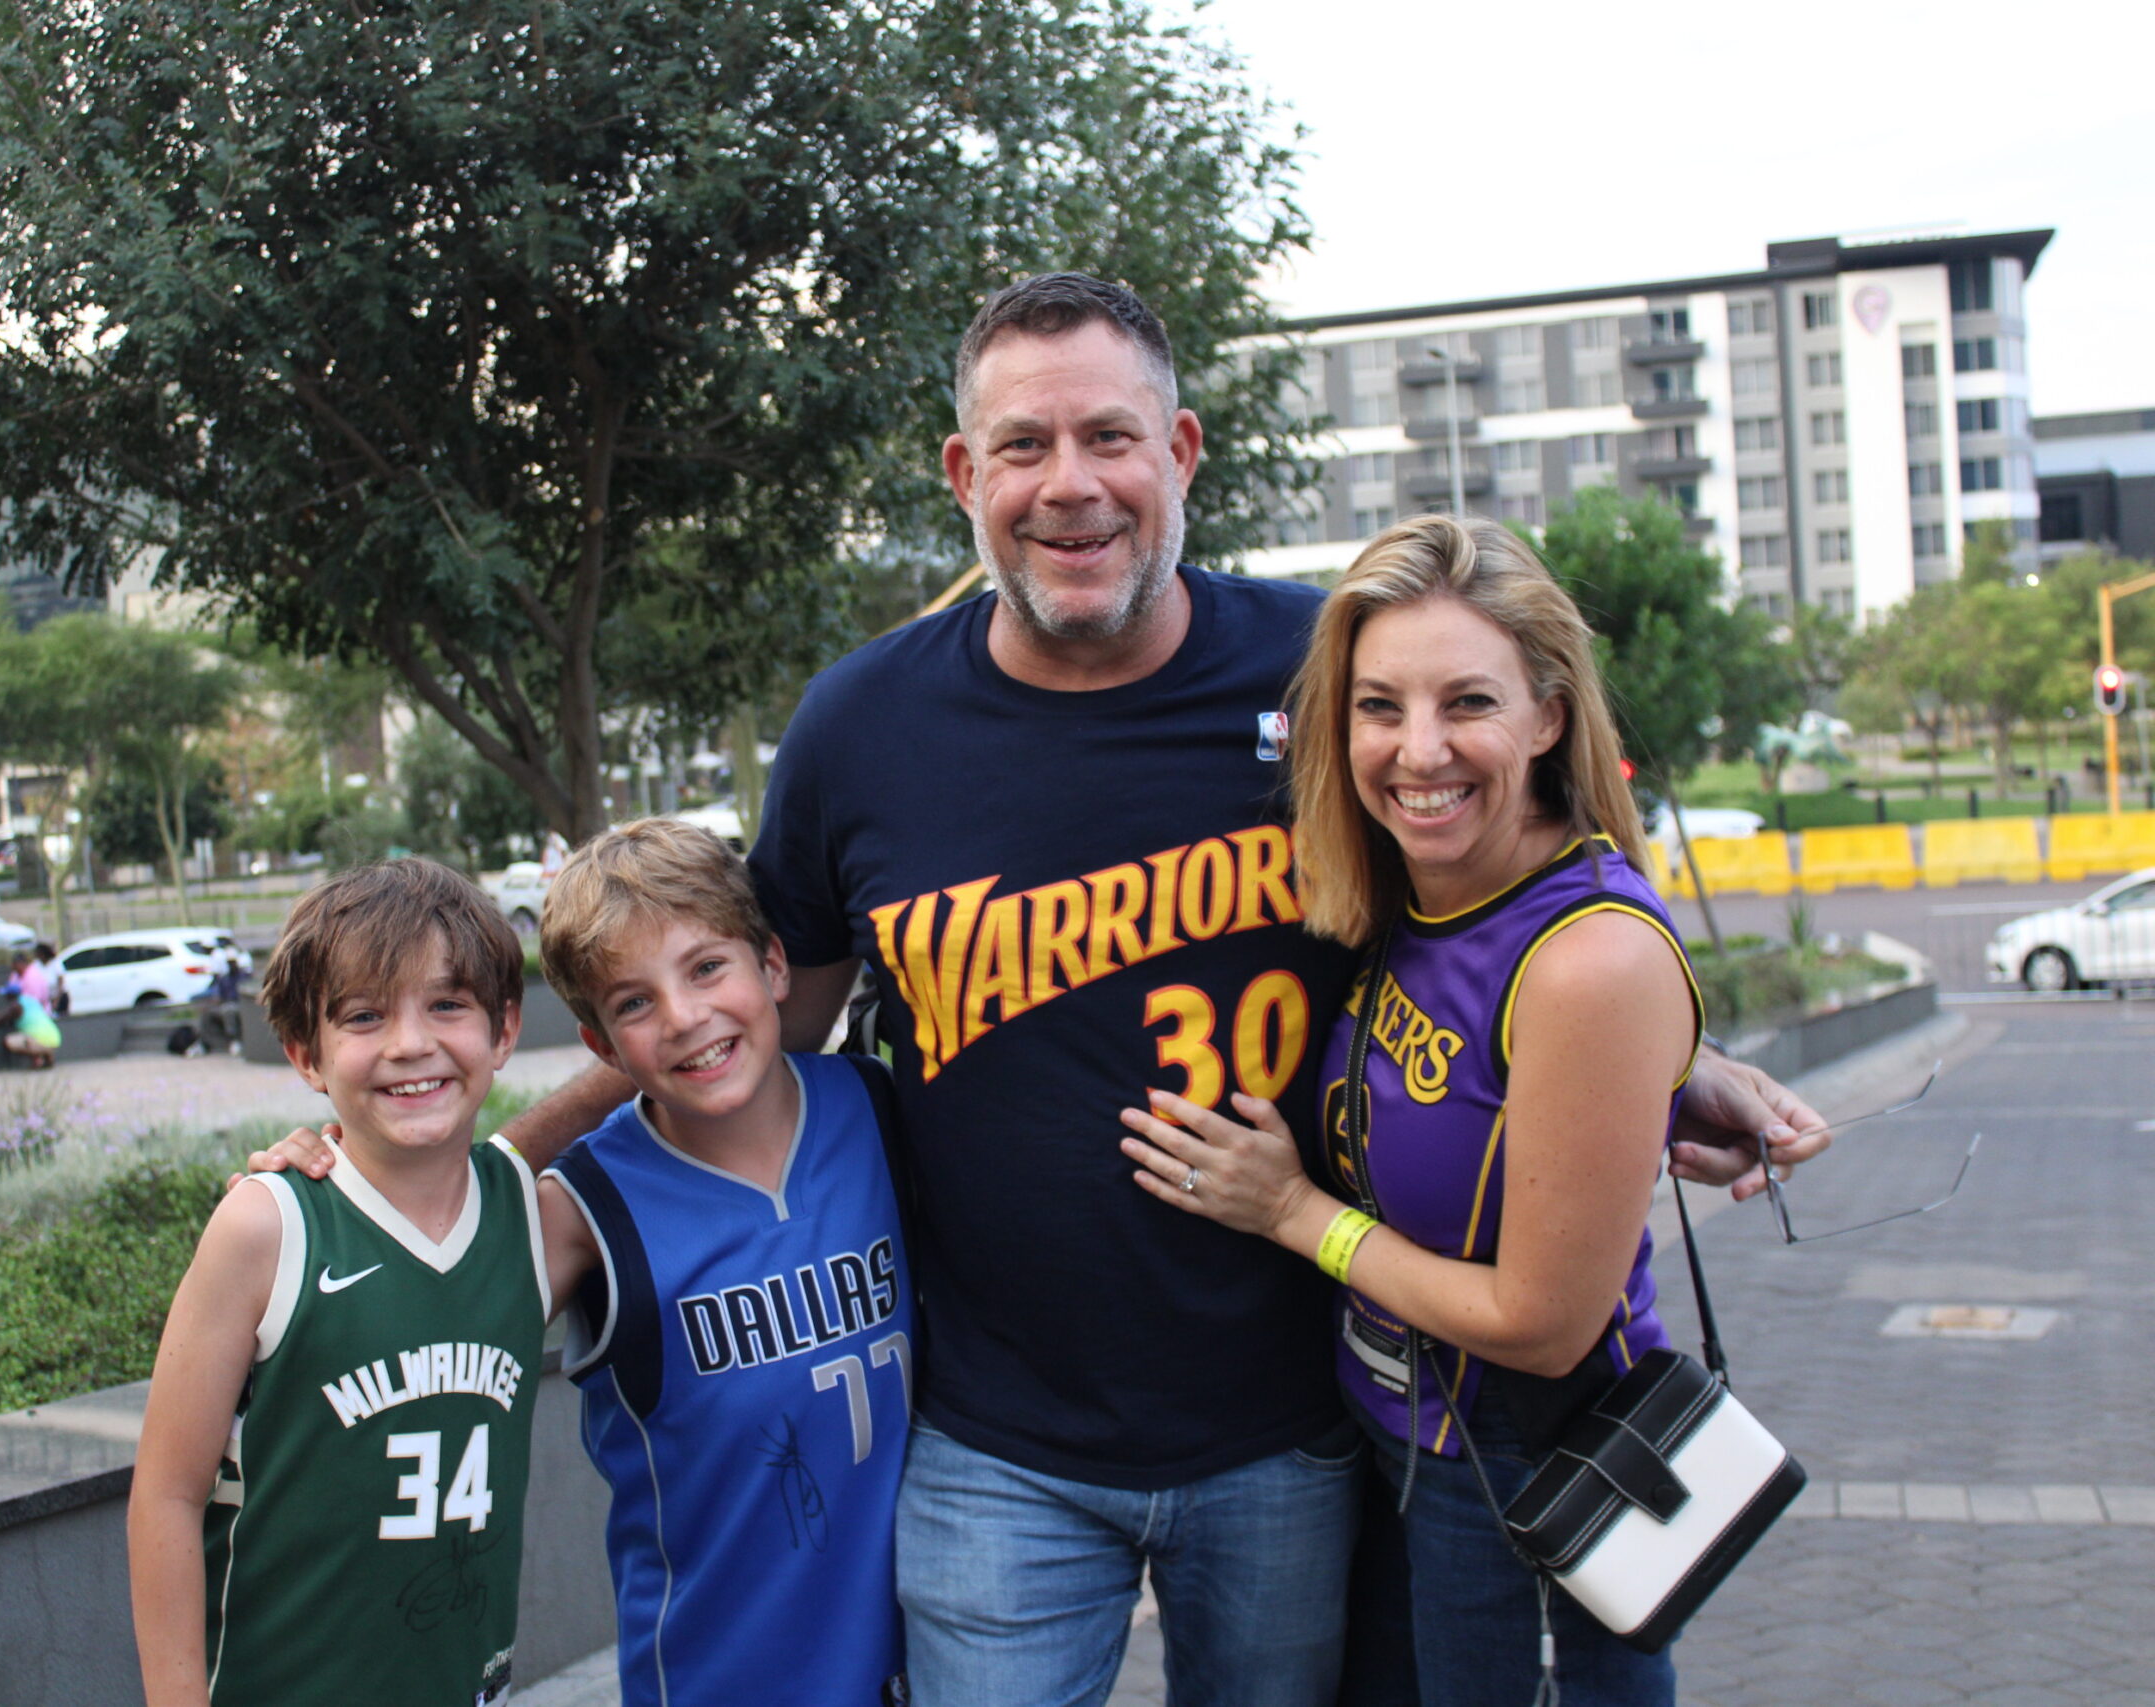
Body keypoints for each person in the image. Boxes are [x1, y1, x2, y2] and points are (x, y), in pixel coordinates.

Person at [252, 274, 1831, 1705]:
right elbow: (738, 1014)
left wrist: (1645, 1060)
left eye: (1109, 436)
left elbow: (1478, 908)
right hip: (993, 1438)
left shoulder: (1328, 676)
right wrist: (453, 1171)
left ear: (1181, 451)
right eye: (1023, 445)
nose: (1069, 483)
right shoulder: (862, 725)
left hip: (1290, 1426)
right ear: (965, 475)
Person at [1120, 517, 1705, 1703]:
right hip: (1396, 1451)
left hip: (1525, 1470)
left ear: (1548, 717)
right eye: (1378, 706)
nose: (1417, 749)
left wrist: (1294, 1214)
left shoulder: (1588, 958)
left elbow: (1539, 1323)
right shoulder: (1416, 892)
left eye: (1468, 703)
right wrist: (1698, 1075)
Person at [126, 858, 544, 1707]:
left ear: (504, 1028)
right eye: (363, 1015)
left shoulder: (532, 1216)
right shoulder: (266, 1226)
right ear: (304, 1053)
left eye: (448, 1004)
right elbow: (167, 1493)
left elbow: (649, 1090)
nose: (410, 1042)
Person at [535, 820, 913, 1707]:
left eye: (707, 967)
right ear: (602, 1046)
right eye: (634, 1002)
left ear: (773, 965)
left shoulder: (878, 1109)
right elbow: (427, 1320)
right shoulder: (583, 1208)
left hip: (929, 1660)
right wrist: (314, 1193)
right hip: (724, 1679)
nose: (683, 1016)